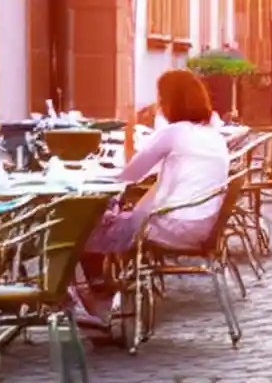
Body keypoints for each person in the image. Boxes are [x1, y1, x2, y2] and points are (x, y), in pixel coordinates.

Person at [76, 70, 231, 322]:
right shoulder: (212, 135)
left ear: (171, 101)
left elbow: (130, 175)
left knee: (80, 231)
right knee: (117, 219)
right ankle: (109, 293)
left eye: (161, 99)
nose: (158, 105)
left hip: (169, 225)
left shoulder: (174, 133)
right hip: (200, 224)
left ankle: (98, 302)